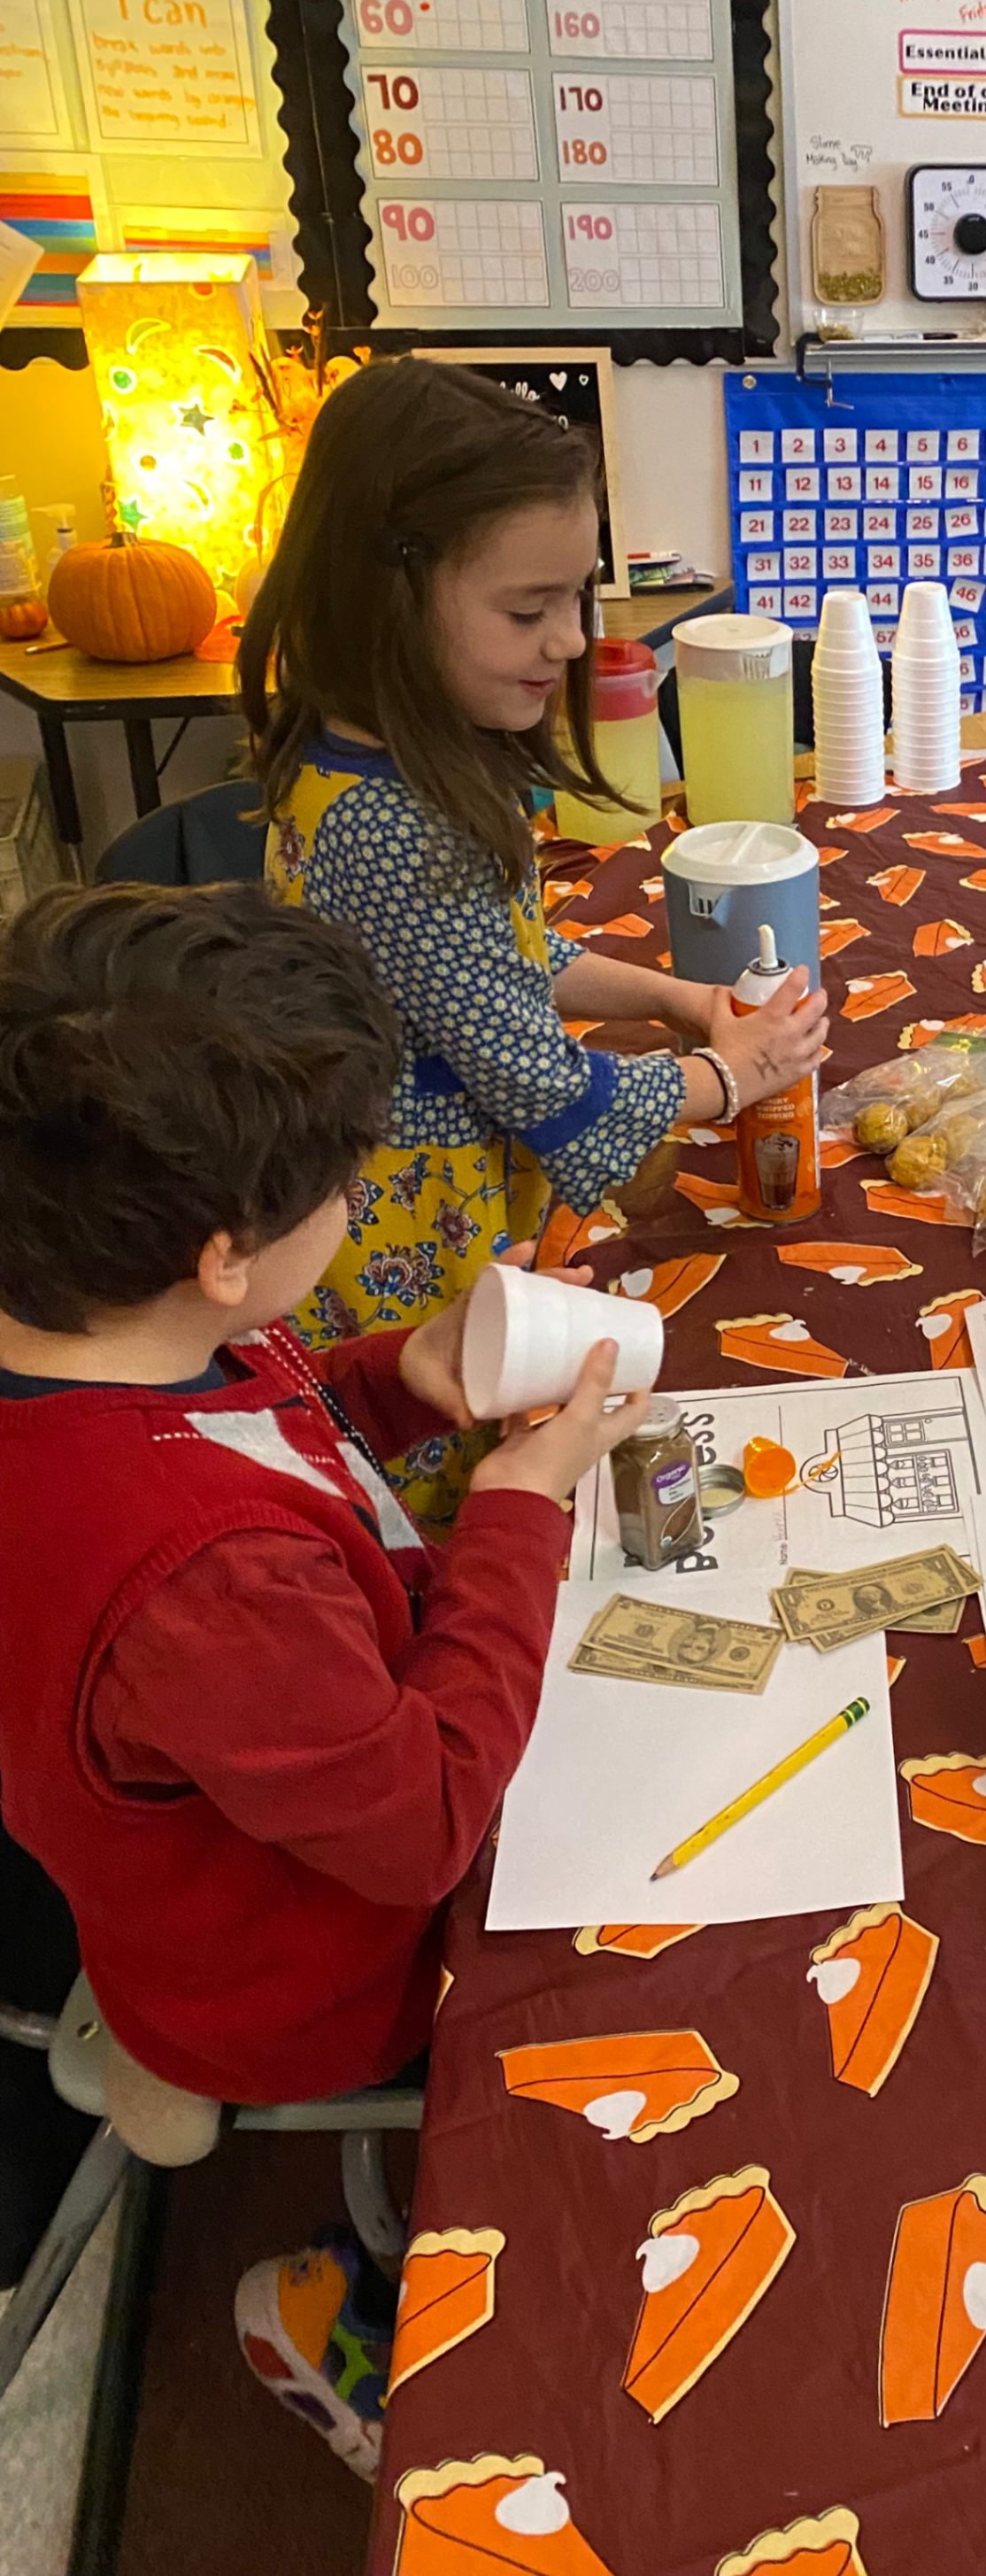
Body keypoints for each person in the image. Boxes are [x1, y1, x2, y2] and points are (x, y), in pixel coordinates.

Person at [0, 883, 651, 2476]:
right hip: (311, 1969)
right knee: (649, 2000)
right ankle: (373, 2331)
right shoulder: (195, 1577)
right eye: (347, 1184)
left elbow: (274, 1429)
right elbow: (421, 1815)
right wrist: (519, 1507)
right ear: (224, 1254)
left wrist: (395, 1376)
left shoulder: (115, 1329)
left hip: (245, 1817)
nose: (361, 1200)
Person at [243, 359, 827, 1517]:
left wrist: (668, 996)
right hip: (411, 1225)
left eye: (578, 600)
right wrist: (730, 1073)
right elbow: (544, 1085)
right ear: (386, 589)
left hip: (383, 1185)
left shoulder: (354, 756)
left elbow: (499, 960)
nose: (569, 641)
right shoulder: (403, 833)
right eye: (527, 609)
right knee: (463, 1460)